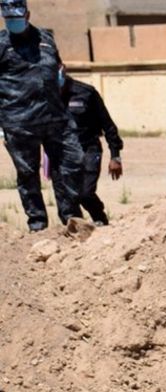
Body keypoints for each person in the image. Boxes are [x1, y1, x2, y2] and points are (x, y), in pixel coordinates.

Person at [0, 0, 83, 231]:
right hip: (19, 123)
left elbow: (58, 66)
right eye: (8, 18)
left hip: (55, 118)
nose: (12, 21)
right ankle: (38, 226)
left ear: (27, 14)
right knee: (28, 174)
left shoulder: (46, 39)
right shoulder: (1, 44)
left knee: (70, 165)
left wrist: (60, 78)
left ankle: (71, 220)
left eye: (16, 16)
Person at [56, 64, 123, 226]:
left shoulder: (86, 93)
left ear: (62, 70)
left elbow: (108, 126)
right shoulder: (48, 96)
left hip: (89, 149)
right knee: (68, 196)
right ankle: (78, 229)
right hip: (63, 154)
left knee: (85, 192)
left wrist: (115, 156)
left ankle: (100, 218)